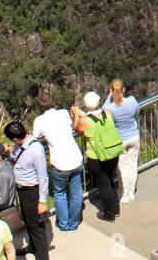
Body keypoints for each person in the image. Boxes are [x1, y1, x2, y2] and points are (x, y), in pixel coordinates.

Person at [31, 92, 83, 232]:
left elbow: (35, 137)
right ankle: (73, 223)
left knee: (60, 193)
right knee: (76, 192)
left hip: (60, 163)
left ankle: (64, 223)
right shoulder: (64, 113)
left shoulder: (39, 121)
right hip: (76, 158)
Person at [4, 120, 50, 260]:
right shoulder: (19, 147)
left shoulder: (35, 149)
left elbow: (43, 176)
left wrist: (42, 201)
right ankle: (32, 246)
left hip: (32, 192)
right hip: (23, 191)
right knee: (28, 221)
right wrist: (9, 155)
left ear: (15, 139)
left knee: (37, 227)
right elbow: (17, 162)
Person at [76, 92, 123, 221]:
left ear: (85, 104)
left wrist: (76, 114)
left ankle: (109, 213)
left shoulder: (86, 121)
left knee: (104, 185)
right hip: (112, 153)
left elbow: (77, 127)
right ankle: (116, 208)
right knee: (111, 179)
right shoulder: (107, 114)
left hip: (97, 157)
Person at [105, 79, 141, 202]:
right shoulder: (132, 101)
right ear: (124, 90)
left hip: (120, 139)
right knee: (133, 164)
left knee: (123, 167)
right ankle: (131, 192)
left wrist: (110, 95)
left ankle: (124, 193)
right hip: (134, 136)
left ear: (111, 91)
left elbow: (103, 111)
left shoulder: (110, 108)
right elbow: (137, 113)